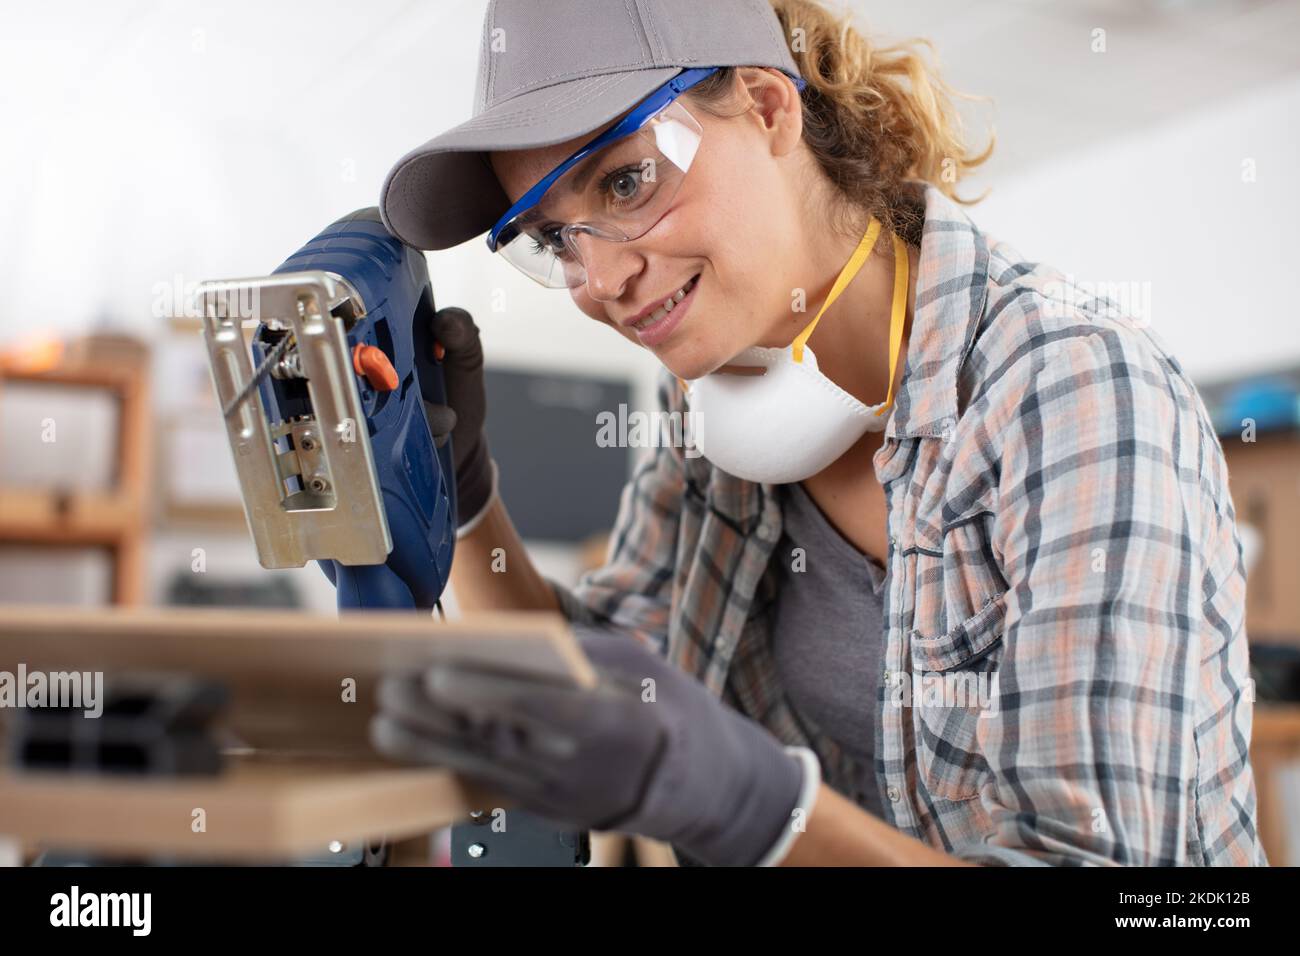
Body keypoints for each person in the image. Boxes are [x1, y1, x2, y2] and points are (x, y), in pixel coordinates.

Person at [370, 0, 1265, 867]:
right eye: (556, 239)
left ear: (768, 106)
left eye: (628, 179)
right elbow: (607, 681)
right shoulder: (705, 407)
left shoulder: (1069, 390)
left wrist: (754, 812)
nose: (600, 279)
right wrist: (465, 495)